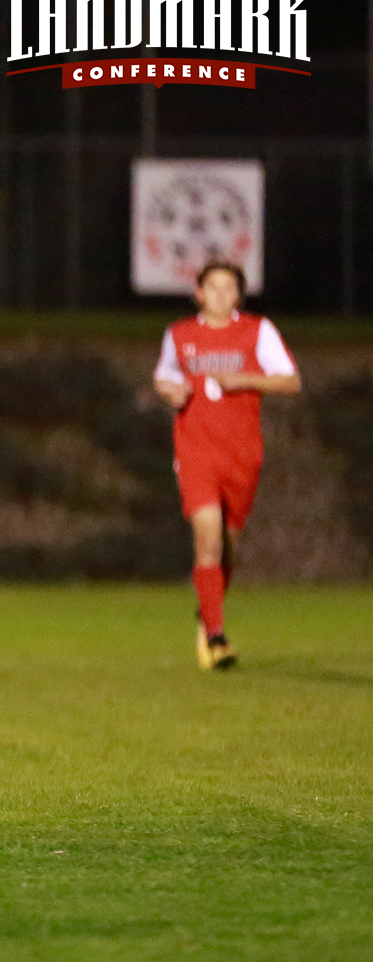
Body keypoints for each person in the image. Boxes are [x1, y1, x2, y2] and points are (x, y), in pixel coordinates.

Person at [153, 260, 301, 671]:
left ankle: (208, 612)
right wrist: (172, 392)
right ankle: (216, 638)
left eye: (229, 288)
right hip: (196, 451)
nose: (220, 294)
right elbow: (164, 376)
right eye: (212, 287)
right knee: (208, 539)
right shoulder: (180, 335)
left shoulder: (257, 331)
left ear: (238, 295)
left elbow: (290, 380)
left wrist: (245, 380)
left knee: (229, 549)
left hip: (242, 454)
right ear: (198, 293)